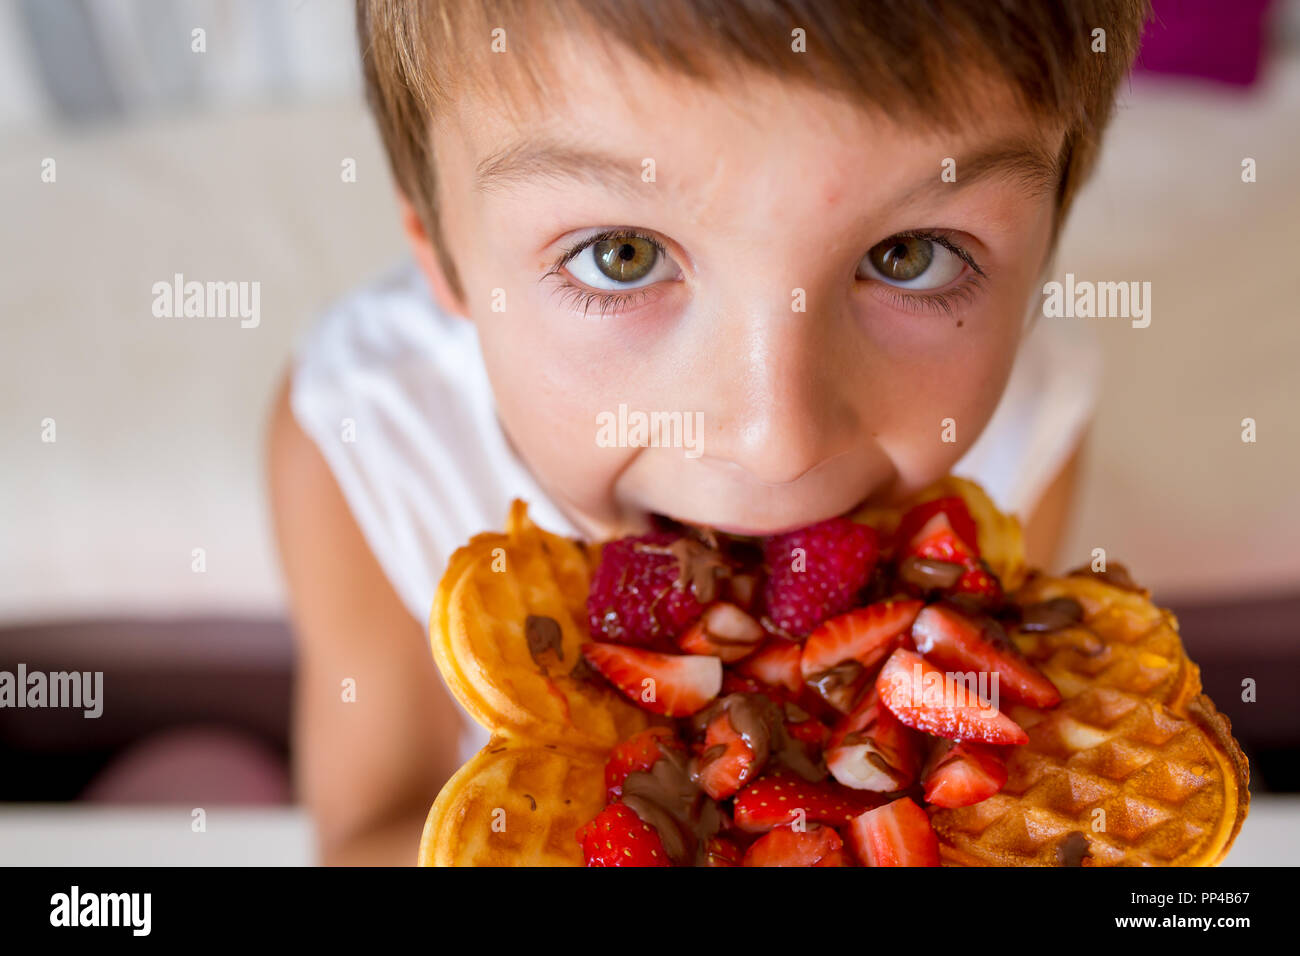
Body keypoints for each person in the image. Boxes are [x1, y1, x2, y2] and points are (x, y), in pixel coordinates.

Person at [267, 0, 1149, 864]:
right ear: (444, 258)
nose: (778, 445)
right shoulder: (368, 441)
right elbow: (366, 835)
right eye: (622, 253)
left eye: (909, 254)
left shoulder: (1029, 422)